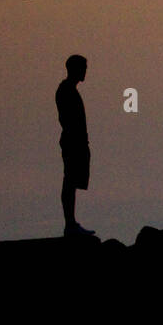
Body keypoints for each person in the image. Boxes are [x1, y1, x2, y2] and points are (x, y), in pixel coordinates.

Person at [56, 55, 95, 237]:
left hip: (75, 142)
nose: (85, 71)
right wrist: (77, 140)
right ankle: (70, 224)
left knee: (71, 182)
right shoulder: (66, 90)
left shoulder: (69, 89)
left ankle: (71, 223)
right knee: (70, 182)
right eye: (83, 67)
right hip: (73, 143)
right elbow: (67, 119)